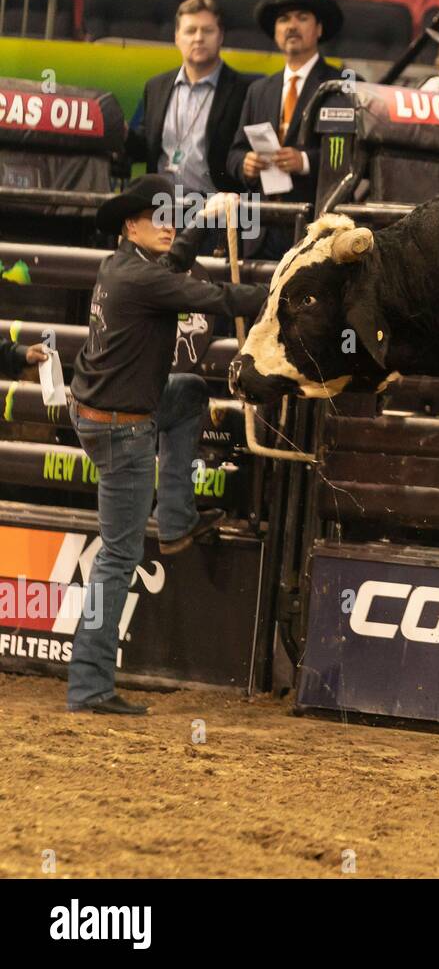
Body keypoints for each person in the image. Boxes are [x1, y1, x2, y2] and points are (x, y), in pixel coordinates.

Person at [66, 176, 268, 715]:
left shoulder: (121, 267)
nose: (170, 223)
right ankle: (89, 687)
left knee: (188, 391)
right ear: (133, 224)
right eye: (160, 216)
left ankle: (175, 519)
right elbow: (217, 296)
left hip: (101, 410)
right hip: (122, 427)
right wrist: (285, 290)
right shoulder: (142, 280)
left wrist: (204, 221)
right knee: (118, 556)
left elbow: (173, 265)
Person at [226, 0, 348, 260]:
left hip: (314, 226)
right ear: (276, 33)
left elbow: (350, 158)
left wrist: (304, 162)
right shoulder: (259, 90)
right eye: (283, 20)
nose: (291, 25)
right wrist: (245, 164)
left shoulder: (339, 85)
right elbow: (233, 153)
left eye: (302, 18)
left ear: (318, 29)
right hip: (261, 227)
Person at [127, 0, 253, 196]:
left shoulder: (246, 90)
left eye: (207, 30)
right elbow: (144, 145)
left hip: (215, 211)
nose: (198, 38)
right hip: (161, 206)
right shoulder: (156, 86)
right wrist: (121, 132)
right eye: (190, 30)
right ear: (177, 37)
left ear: (220, 36)